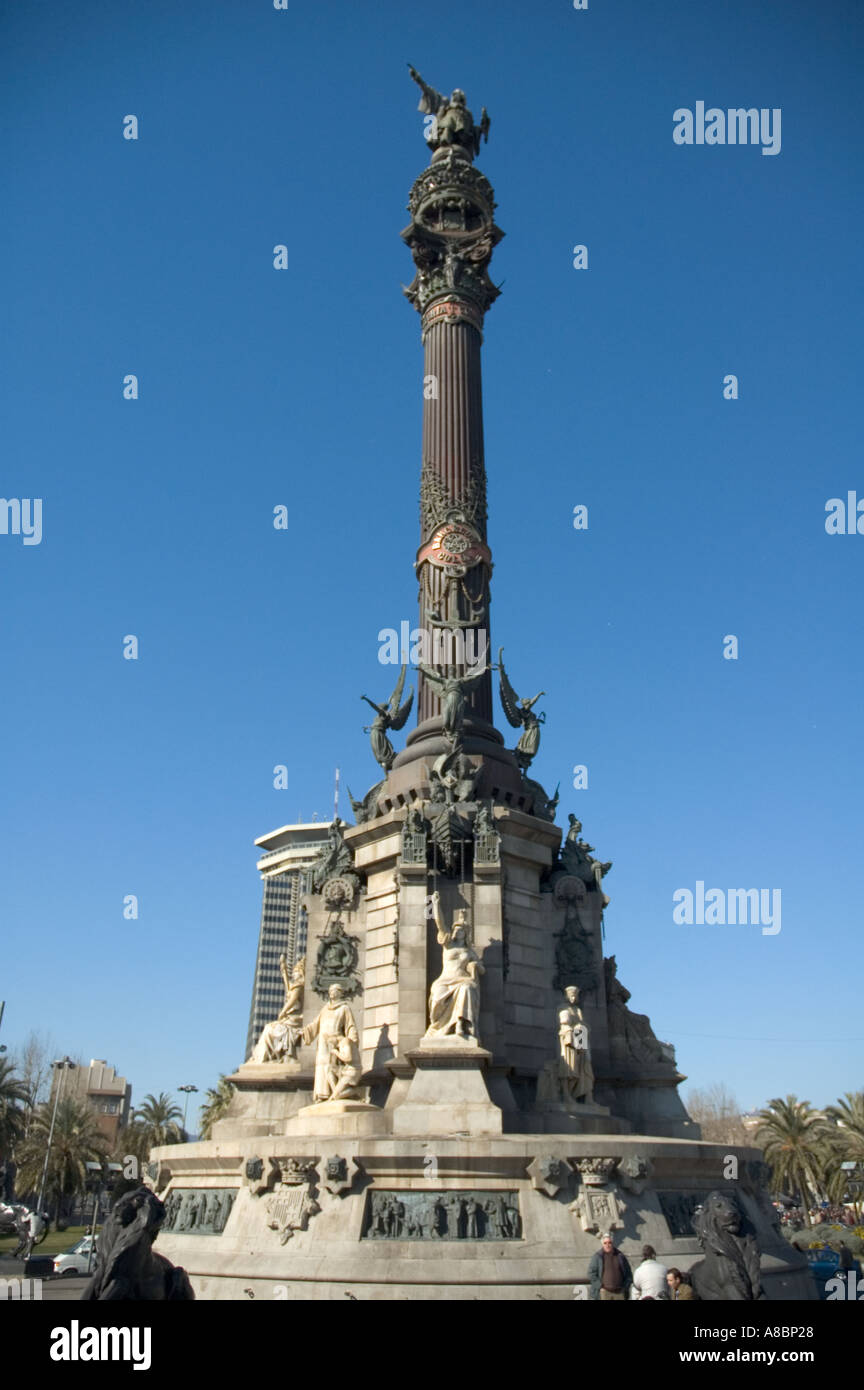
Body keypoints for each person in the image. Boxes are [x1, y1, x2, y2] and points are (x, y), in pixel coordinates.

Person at [588, 1232, 632, 1301]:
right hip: (604, 1293)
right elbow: (591, 1274)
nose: (607, 1245)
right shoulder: (597, 1257)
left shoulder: (620, 1256)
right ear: (602, 1244)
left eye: (609, 1243)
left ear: (612, 1243)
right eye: (605, 1243)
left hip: (619, 1293)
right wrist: (600, 1286)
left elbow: (628, 1274)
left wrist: (625, 1287)